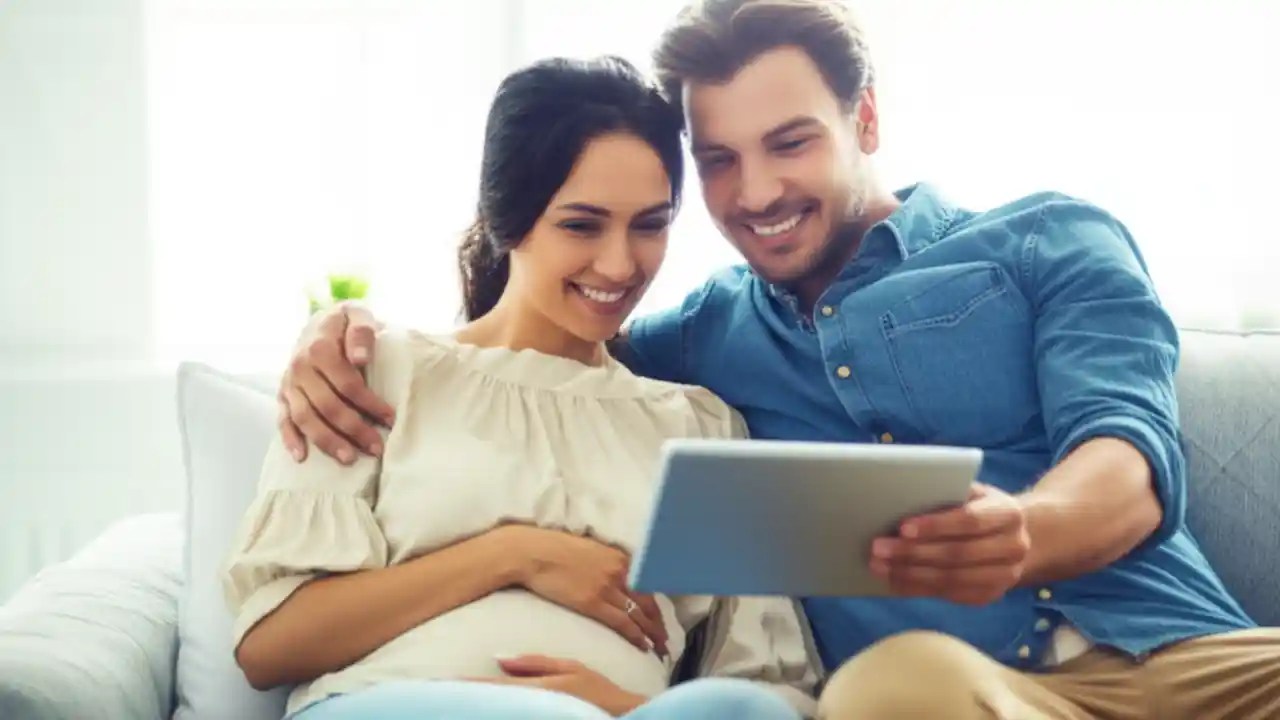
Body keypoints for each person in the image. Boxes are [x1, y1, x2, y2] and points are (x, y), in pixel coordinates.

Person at [279, 1, 1280, 719]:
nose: (753, 192)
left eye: (789, 142)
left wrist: (1021, 530)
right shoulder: (694, 345)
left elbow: (1126, 462)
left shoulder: (1046, 241)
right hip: (949, 696)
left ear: (867, 121)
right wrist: (338, 341)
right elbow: (540, 340)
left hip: (1192, 660)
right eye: (716, 159)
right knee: (887, 690)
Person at [222, 55, 821, 720]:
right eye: (582, 224)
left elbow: (772, 681)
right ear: (508, 219)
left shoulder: (697, 426)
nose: (621, 264)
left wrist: (620, 705)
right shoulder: (373, 370)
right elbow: (269, 646)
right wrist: (516, 555)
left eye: (649, 225)